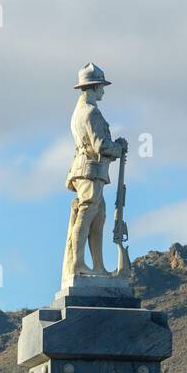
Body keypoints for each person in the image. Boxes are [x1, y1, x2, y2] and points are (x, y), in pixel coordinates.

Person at [63, 63, 127, 280]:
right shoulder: (91, 113)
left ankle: (97, 266)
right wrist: (118, 147)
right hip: (90, 170)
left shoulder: (78, 112)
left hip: (90, 170)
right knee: (87, 213)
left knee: (97, 218)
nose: (103, 90)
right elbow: (100, 145)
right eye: (101, 86)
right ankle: (78, 264)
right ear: (93, 87)